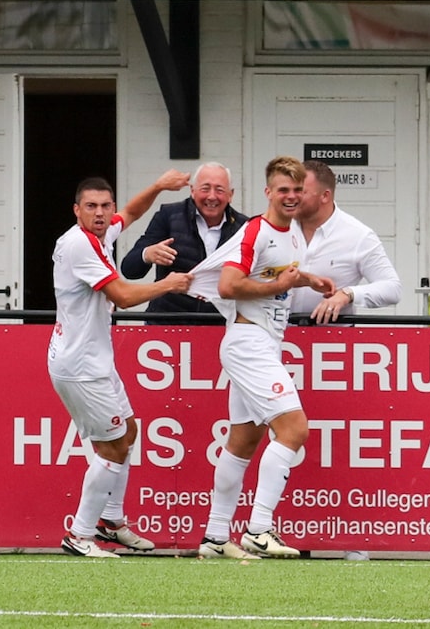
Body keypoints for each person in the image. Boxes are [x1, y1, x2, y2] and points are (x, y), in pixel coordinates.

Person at [188, 156, 335, 560]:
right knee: (294, 428)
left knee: (243, 442)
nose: (290, 197)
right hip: (247, 341)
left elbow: (277, 274)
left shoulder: (294, 235)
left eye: (296, 191)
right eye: (282, 190)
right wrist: (282, 285)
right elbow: (228, 284)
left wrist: (307, 280)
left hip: (262, 343)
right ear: (268, 192)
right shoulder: (257, 230)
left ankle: (216, 538)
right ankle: (259, 529)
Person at [49, 171, 194, 557]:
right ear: (76, 210)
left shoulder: (100, 234)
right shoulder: (81, 245)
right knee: (112, 447)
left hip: (94, 359)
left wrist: (159, 186)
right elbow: (124, 296)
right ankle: (79, 535)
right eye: (91, 207)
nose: (101, 213)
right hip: (81, 366)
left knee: (127, 432)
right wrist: (169, 284)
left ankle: (111, 522)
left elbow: (132, 211)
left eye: (105, 206)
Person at [120, 162, 248, 324]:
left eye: (220, 190)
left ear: (231, 195)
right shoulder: (168, 216)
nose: (212, 196)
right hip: (167, 325)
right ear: (192, 191)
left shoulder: (245, 228)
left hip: (220, 327)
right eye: (205, 188)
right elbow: (129, 270)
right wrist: (147, 254)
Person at [294, 159, 402, 325]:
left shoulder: (358, 235)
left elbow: (392, 288)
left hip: (333, 342)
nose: (292, 197)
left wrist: (348, 294)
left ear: (325, 196)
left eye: (301, 191)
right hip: (274, 338)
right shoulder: (273, 228)